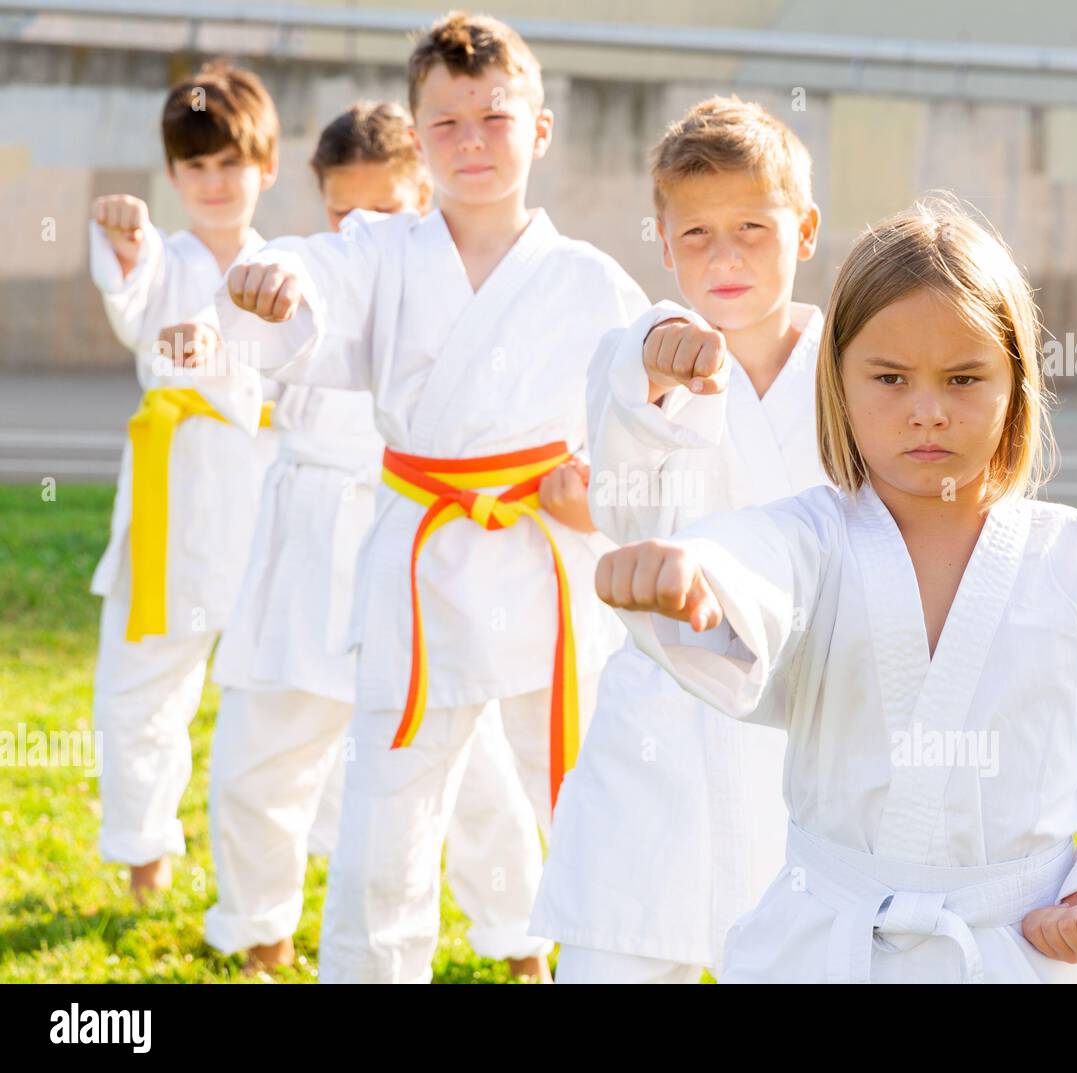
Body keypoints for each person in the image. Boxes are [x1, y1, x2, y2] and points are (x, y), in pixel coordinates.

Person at [594, 195, 1077, 983]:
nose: (927, 412)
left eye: (964, 378)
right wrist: (695, 577)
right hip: (830, 945)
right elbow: (752, 560)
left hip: (1012, 946)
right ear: (839, 382)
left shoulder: (1072, 559)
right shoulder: (812, 538)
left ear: (1017, 383)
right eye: (889, 378)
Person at [215, 11, 648, 983]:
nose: (470, 144)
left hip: (541, 562)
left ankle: (611, 962)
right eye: (445, 125)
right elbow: (318, 276)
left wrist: (620, 462)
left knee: (581, 796)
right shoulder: (377, 249)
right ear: (417, 138)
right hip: (422, 564)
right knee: (385, 820)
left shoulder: (589, 280)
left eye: (493, 119)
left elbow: (648, 408)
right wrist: (279, 278)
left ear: (539, 129)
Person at [202, 100, 550, 980]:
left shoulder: (474, 295)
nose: (361, 231)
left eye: (387, 212)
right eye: (341, 214)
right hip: (304, 558)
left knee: (472, 783)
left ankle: (520, 936)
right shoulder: (311, 279)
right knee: (256, 756)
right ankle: (261, 928)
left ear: (426, 194)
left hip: (417, 564)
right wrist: (257, 301)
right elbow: (254, 324)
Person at [533, 97, 824, 983]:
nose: (724, 254)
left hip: (807, 714)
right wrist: (656, 374)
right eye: (694, 233)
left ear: (805, 229)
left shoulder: (852, 371)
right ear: (660, 243)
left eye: (751, 226)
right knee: (617, 946)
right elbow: (622, 503)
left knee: (799, 948)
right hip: (662, 714)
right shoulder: (637, 353)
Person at [87, 61, 280, 902]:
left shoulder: (291, 269)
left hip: (262, 495)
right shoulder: (159, 256)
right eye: (194, 167)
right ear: (171, 175)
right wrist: (124, 239)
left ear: (266, 168)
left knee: (277, 687)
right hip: (169, 500)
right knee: (137, 684)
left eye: (230, 163)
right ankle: (144, 853)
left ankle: (278, 862)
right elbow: (131, 303)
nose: (213, 182)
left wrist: (228, 362)